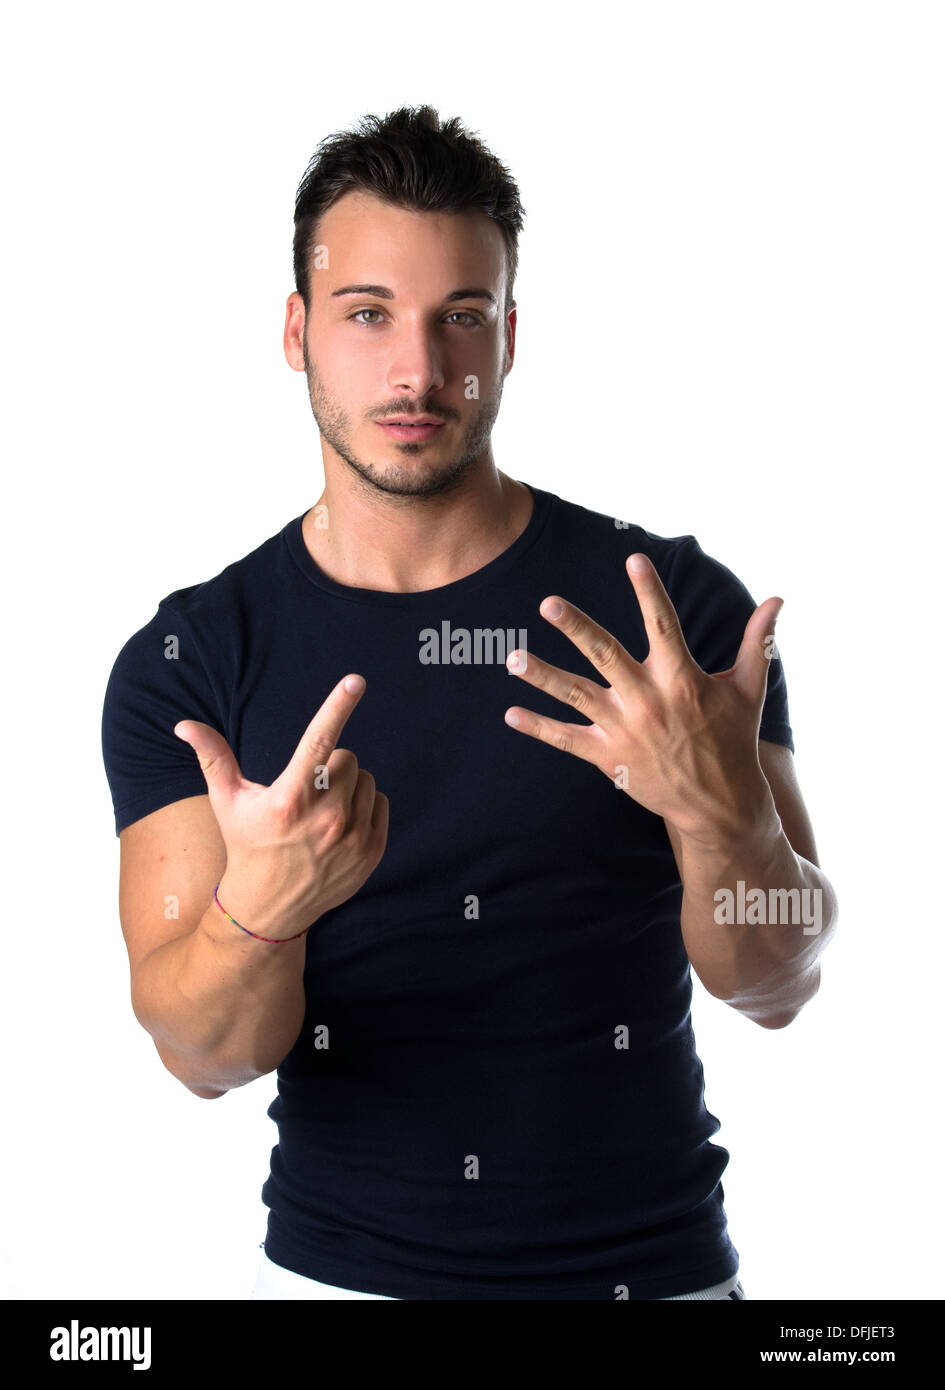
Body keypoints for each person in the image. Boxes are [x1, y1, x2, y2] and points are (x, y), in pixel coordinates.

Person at [101, 105, 837, 1301]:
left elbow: (778, 985)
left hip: (652, 1279)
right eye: (367, 313)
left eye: (462, 318)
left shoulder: (671, 613)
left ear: (510, 333)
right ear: (297, 331)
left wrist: (725, 819)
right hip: (345, 1282)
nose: (418, 370)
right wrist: (261, 913)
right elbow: (199, 1056)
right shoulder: (194, 661)